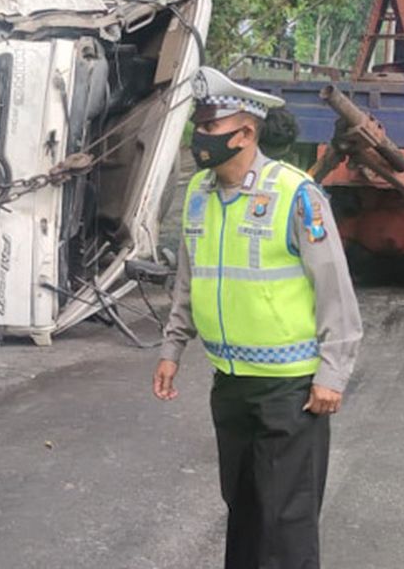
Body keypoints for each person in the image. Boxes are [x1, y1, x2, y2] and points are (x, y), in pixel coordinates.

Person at [153, 67, 363, 568]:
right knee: (244, 512)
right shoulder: (199, 193)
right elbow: (190, 279)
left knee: (285, 522)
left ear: (245, 133)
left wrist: (332, 373)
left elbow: (335, 289)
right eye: (198, 124)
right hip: (231, 385)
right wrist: (171, 348)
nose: (199, 136)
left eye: (210, 126)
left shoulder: (295, 194)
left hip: (290, 390)